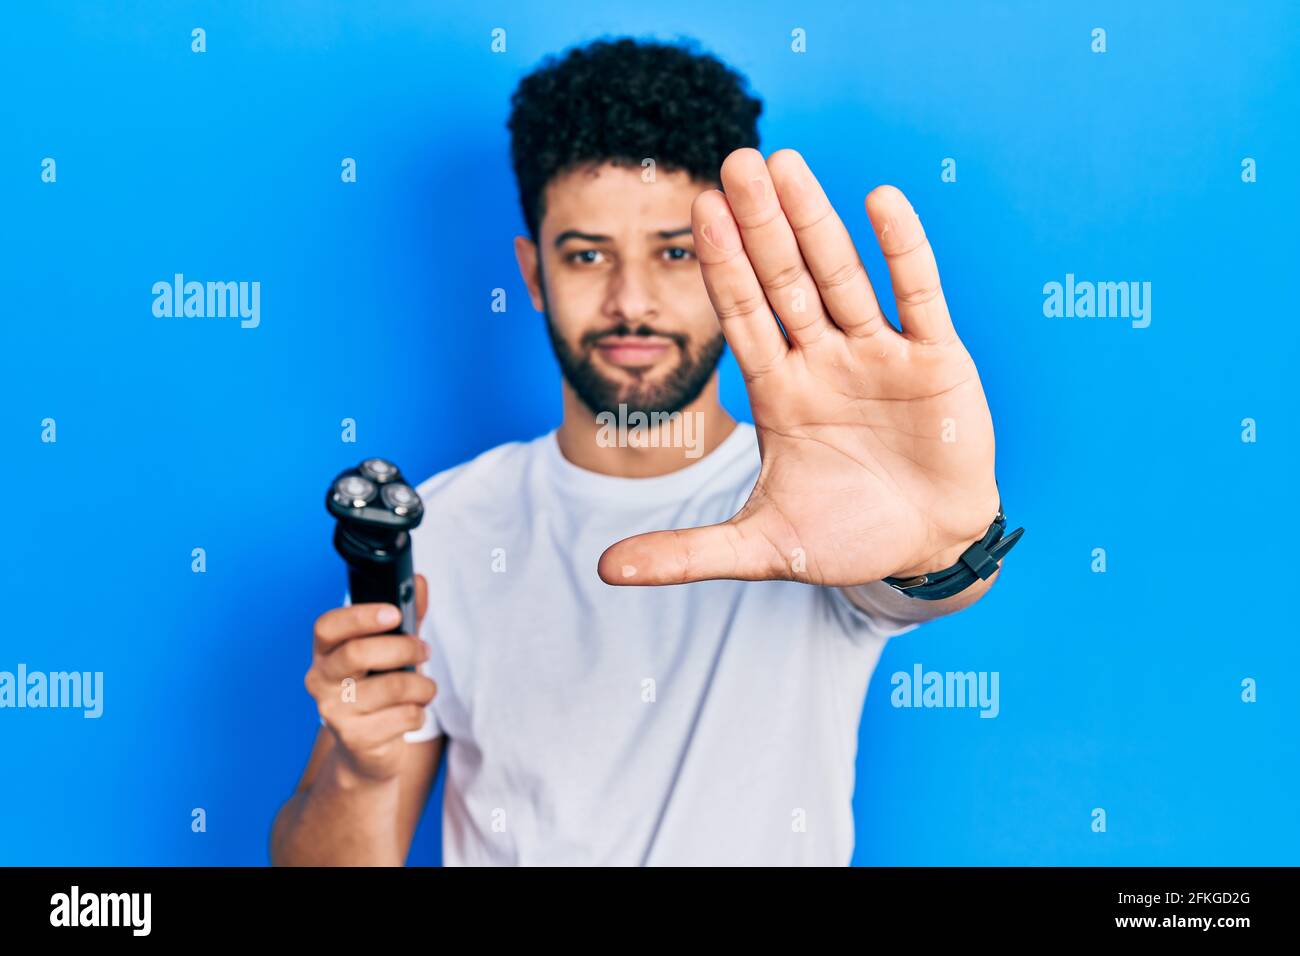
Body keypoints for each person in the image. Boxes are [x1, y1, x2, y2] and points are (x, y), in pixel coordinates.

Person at [271, 37, 1009, 866]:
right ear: (534, 272)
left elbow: (917, 578)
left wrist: (947, 544)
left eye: (676, 253)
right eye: (588, 255)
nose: (632, 303)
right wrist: (359, 771)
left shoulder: (820, 500)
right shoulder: (444, 524)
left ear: (738, 265)